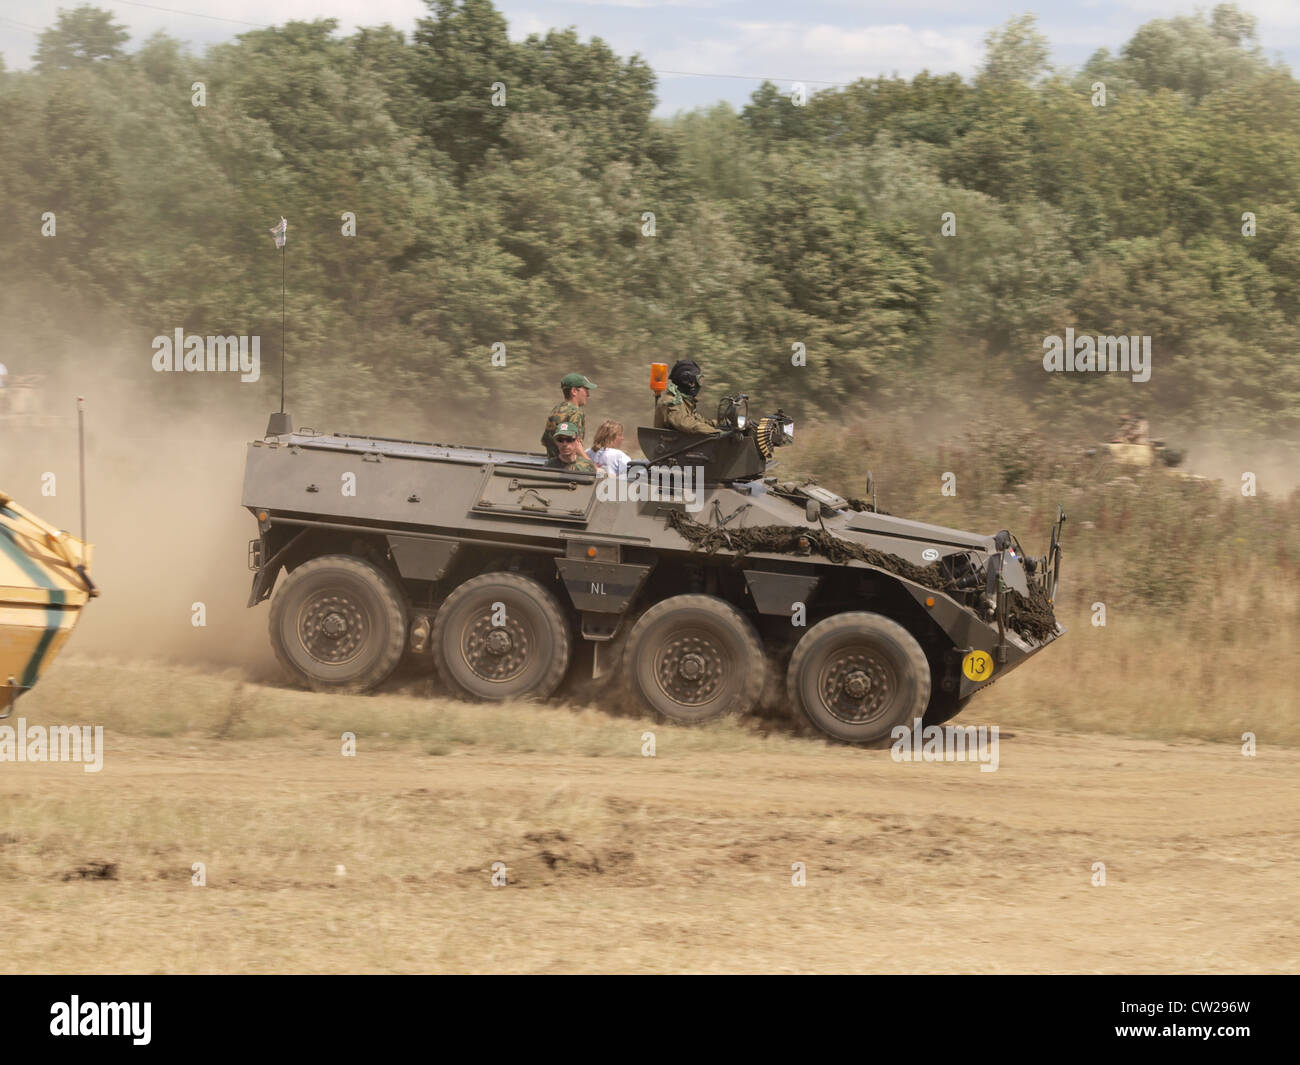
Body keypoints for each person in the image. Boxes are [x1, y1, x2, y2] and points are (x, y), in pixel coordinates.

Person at [654, 359, 719, 435]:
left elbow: (699, 421)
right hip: (673, 445)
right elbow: (687, 424)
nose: (699, 385)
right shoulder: (670, 401)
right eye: (698, 380)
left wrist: (719, 424)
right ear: (688, 382)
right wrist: (717, 432)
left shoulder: (684, 401)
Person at [541, 372, 596, 461]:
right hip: (568, 467)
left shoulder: (556, 409)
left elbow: (545, 441)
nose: (588, 394)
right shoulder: (575, 412)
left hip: (553, 464)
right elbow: (576, 445)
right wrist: (592, 466)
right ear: (574, 391)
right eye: (586, 389)